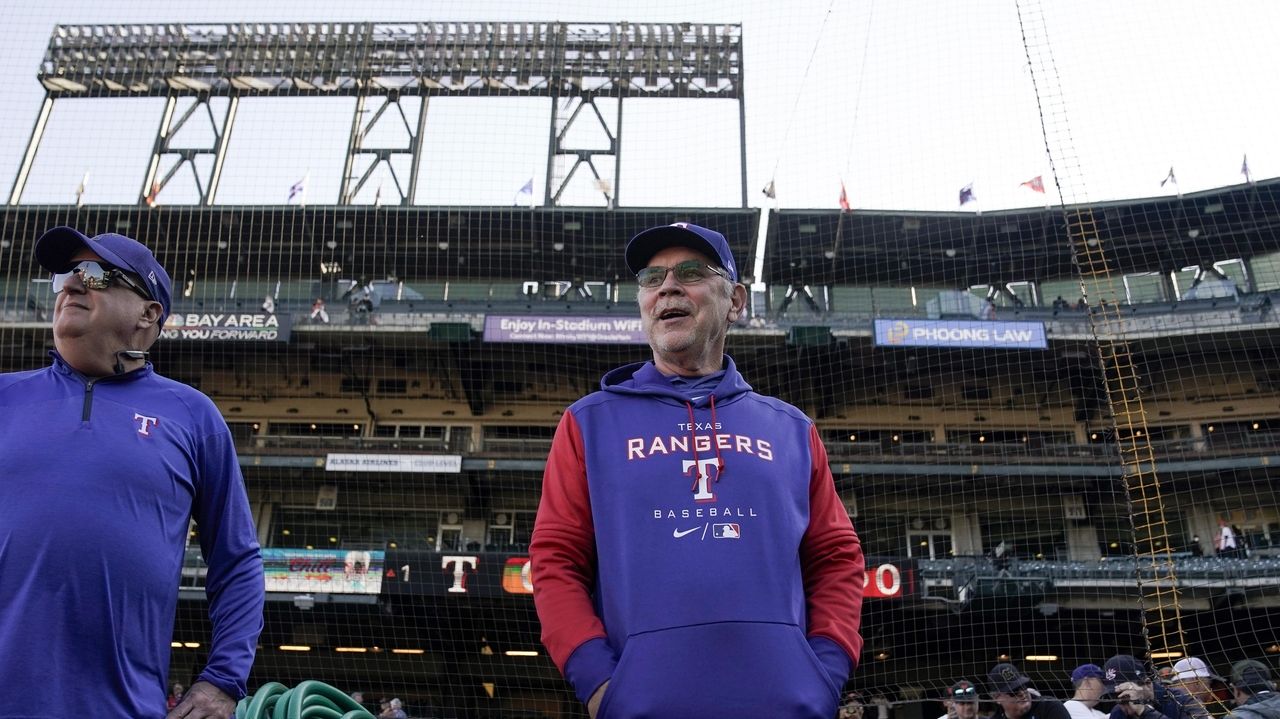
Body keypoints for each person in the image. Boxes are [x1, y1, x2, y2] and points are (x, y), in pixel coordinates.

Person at [529, 222, 865, 718]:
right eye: (651, 277)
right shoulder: (587, 423)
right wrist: (599, 682)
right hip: (640, 706)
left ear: (735, 300)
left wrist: (826, 671)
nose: (666, 286)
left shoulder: (792, 429)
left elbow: (836, 557)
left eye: (690, 272)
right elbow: (555, 560)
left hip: (789, 705)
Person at [0, 226, 265, 719]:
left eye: (96, 274)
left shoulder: (193, 415)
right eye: (66, 276)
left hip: (121, 708)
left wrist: (223, 681)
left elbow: (238, 562)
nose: (73, 286)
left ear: (149, 313)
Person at [1105, 654, 1209, 719]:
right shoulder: (1118, 712)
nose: (1121, 701)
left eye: (1126, 694)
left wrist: (1144, 711)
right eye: (1115, 696)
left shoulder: (1184, 702)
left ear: (1147, 683)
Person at [987, 662, 1071, 719]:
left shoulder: (1049, 707)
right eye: (1014, 691)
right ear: (997, 697)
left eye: (1023, 686)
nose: (1022, 693)